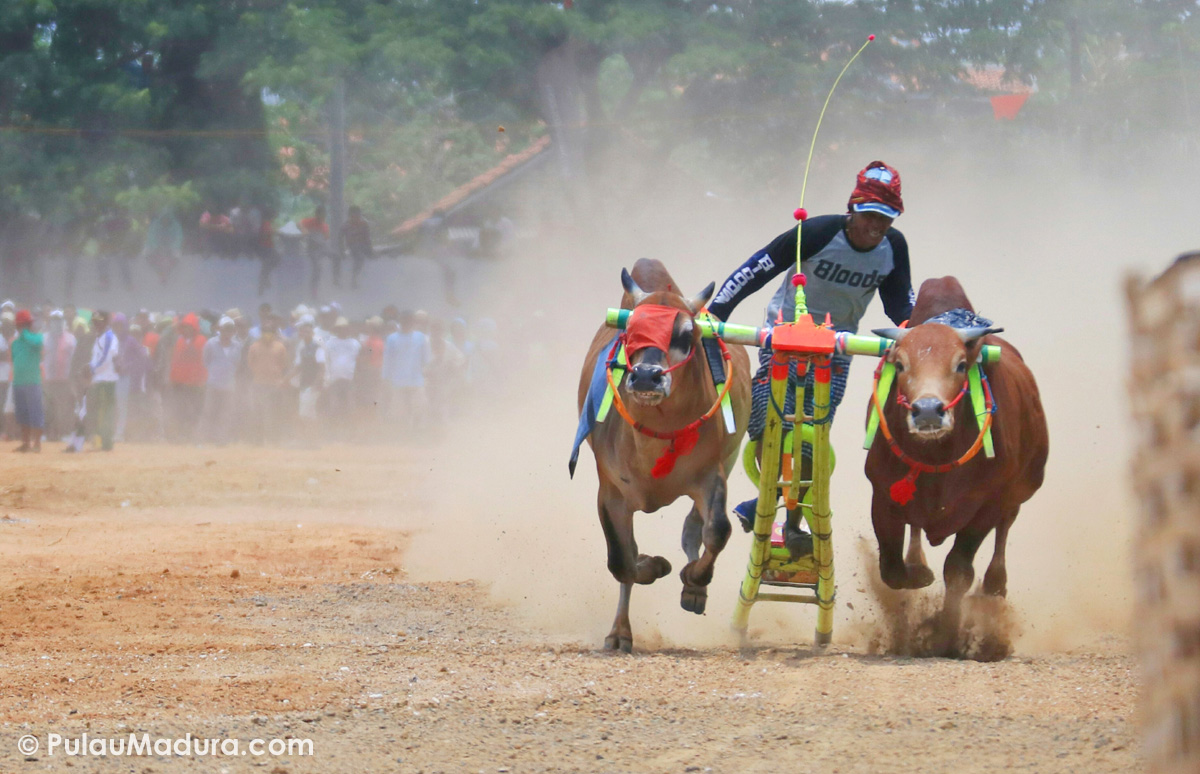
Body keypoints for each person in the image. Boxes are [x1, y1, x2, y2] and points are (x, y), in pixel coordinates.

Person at [707, 161, 915, 552]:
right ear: (852, 209)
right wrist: (716, 312)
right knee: (769, 421)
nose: (876, 226)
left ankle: (791, 522)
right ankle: (766, 499)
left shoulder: (894, 247)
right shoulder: (818, 232)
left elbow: (900, 301)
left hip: (835, 353)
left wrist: (919, 331)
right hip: (784, 340)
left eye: (886, 218)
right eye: (870, 215)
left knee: (811, 438)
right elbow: (758, 267)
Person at [382, 310, 431, 432]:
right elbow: (388, 359)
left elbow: (426, 359)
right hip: (398, 381)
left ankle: (417, 433)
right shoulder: (392, 338)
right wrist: (385, 377)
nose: (407, 322)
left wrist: (427, 375)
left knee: (419, 408)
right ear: (400, 321)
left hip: (417, 380)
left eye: (409, 320)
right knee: (400, 411)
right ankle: (404, 435)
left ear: (413, 322)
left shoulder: (420, 337)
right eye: (404, 320)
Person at [247, 316, 290, 444]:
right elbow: (250, 363)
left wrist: (275, 374)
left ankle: (275, 440)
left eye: (270, 331)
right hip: (259, 384)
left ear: (274, 332)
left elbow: (284, 364)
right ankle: (258, 440)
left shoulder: (280, 347)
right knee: (258, 412)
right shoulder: (254, 347)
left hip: (275, 385)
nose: (267, 334)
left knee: (275, 412)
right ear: (261, 332)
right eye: (265, 331)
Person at [200, 316, 242, 445]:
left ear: (233, 331)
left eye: (230, 330)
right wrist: (215, 372)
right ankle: (204, 440)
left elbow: (237, 363)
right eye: (225, 329)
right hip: (213, 384)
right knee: (209, 412)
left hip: (229, 386)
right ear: (220, 329)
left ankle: (221, 440)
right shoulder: (211, 343)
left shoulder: (237, 345)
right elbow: (205, 361)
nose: (227, 333)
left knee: (226, 414)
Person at [168, 313, 207, 442]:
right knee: (180, 409)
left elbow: (204, 362)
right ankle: (182, 434)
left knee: (195, 410)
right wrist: (173, 378)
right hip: (179, 382)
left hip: (196, 383)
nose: (187, 329)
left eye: (189, 326)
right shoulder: (179, 341)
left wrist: (202, 379)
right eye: (184, 327)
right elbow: (175, 361)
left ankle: (193, 434)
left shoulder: (202, 341)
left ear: (194, 327)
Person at [84, 310, 119, 451]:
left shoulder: (109, 337)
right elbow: (96, 357)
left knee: (105, 411)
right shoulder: (99, 337)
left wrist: (92, 368)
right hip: (99, 379)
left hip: (107, 379)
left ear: (105, 321)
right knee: (98, 411)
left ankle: (106, 442)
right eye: (94, 321)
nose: (96, 324)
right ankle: (101, 441)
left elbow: (106, 357)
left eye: (99, 321)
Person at [11, 309, 45, 452]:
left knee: (35, 413)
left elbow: (39, 345)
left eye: (25, 325)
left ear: (29, 325)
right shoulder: (15, 344)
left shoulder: (36, 338)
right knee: (22, 414)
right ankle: (25, 443)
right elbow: (14, 360)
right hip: (18, 383)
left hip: (32, 382)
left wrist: (25, 334)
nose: (22, 328)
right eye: (21, 326)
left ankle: (37, 444)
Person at [322, 317, 360, 438]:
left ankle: (350, 434)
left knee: (350, 407)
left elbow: (358, 362)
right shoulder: (329, 343)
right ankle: (333, 433)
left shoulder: (355, 343)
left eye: (344, 329)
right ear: (337, 330)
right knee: (334, 406)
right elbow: (326, 362)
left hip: (350, 379)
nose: (342, 331)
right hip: (334, 380)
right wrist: (326, 379)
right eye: (340, 329)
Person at [42, 310, 77, 440]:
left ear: (63, 322)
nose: (56, 323)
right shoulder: (43, 338)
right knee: (48, 407)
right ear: (50, 322)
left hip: (64, 380)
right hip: (48, 380)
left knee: (63, 407)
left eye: (59, 320)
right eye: (54, 320)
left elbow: (75, 360)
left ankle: (62, 433)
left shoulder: (71, 339)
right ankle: (48, 434)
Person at [300, 205, 331, 298]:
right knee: (317, 267)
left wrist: (323, 238)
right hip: (312, 250)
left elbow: (326, 238)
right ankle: (314, 290)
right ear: (316, 215)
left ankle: (336, 279)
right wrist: (304, 229)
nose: (322, 218)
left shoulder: (325, 226)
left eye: (323, 216)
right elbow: (300, 222)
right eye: (320, 216)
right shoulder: (310, 221)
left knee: (336, 255)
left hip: (322, 248)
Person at [341, 205, 373, 290]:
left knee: (371, 254)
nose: (356, 218)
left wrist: (370, 249)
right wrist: (341, 250)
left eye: (358, 215)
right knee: (360, 257)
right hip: (353, 246)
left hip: (363, 245)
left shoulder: (364, 223)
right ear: (350, 216)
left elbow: (367, 237)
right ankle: (354, 278)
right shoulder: (346, 225)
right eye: (354, 216)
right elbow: (339, 238)